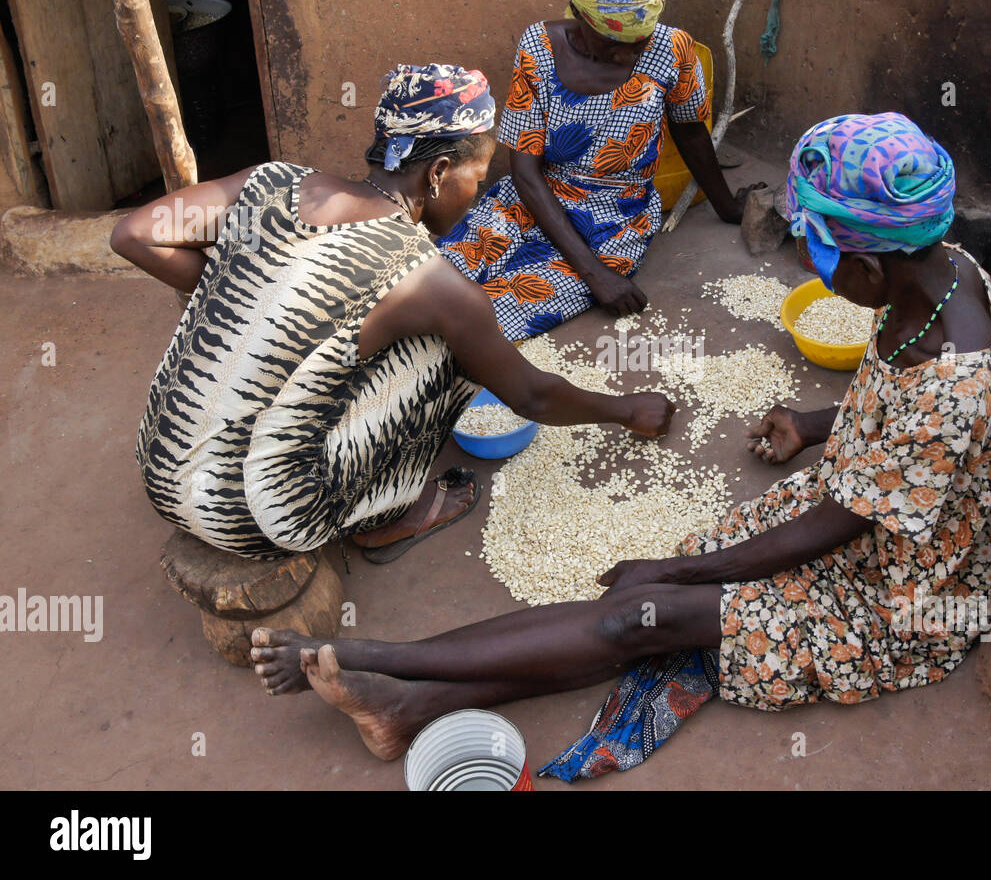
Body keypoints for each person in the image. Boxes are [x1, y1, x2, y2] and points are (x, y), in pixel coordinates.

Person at [248, 113, 991, 778]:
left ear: (864, 265)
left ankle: (378, 658)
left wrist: (675, 569)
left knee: (639, 612)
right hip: (855, 504)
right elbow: (891, 426)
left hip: (897, 597)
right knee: (643, 609)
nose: (805, 263)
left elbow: (845, 520)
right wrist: (818, 426)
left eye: (814, 251)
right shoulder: (942, 269)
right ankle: (408, 704)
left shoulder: (955, 385)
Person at [113, 63, 674, 566]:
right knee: (453, 350)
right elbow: (532, 396)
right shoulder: (428, 279)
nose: (477, 197)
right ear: (439, 172)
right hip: (252, 519)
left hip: (159, 466)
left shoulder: (273, 180)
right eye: (477, 180)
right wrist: (625, 411)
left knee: (345, 337)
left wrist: (240, 290)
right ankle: (394, 512)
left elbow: (133, 234)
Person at [436, 0, 758, 340]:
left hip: (617, 215)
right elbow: (525, 168)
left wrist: (727, 206)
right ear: (583, 18)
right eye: (615, 44)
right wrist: (595, 275)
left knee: (499, 314)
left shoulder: (673, 49)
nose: (628, 57)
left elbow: (691, 132)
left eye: (639, 45)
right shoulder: (538, 47)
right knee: (436, 280)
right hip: (532, 196)